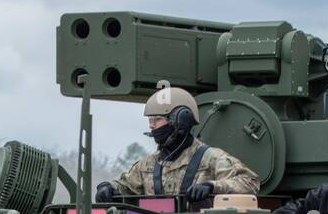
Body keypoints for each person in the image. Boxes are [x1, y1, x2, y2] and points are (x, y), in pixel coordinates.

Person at [96, 88, 260, 205]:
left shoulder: (211, 158)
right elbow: (125, 187)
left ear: (181, 120)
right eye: (149, 121)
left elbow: (250, 183)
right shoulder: (148, 165)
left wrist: (211, 187)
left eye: (157, 120)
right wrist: (108, 188)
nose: (152, 127)